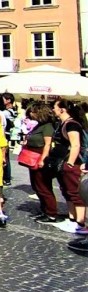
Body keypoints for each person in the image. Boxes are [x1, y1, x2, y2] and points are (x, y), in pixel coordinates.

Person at [22, 102, 61, 223]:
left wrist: (43, 159)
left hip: (40, 157)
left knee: (43, 186)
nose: (31, 115)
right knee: (36, 186)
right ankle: (44, 210)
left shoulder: (47, 126)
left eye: (32, 112)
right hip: (33, 156)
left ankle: (51, 213)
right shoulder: (39, 125)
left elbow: (48, 144)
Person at [52, 99, 86, 234]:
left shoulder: (71, 124)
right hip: (63, 163)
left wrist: (70, 163)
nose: (53, 109)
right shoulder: (63, 123)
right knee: (67, 191)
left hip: (73, 163)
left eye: (54, 107)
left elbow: (75, 145)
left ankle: (80, 223)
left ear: (62, 109)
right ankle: (72, 219)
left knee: (76, 193)